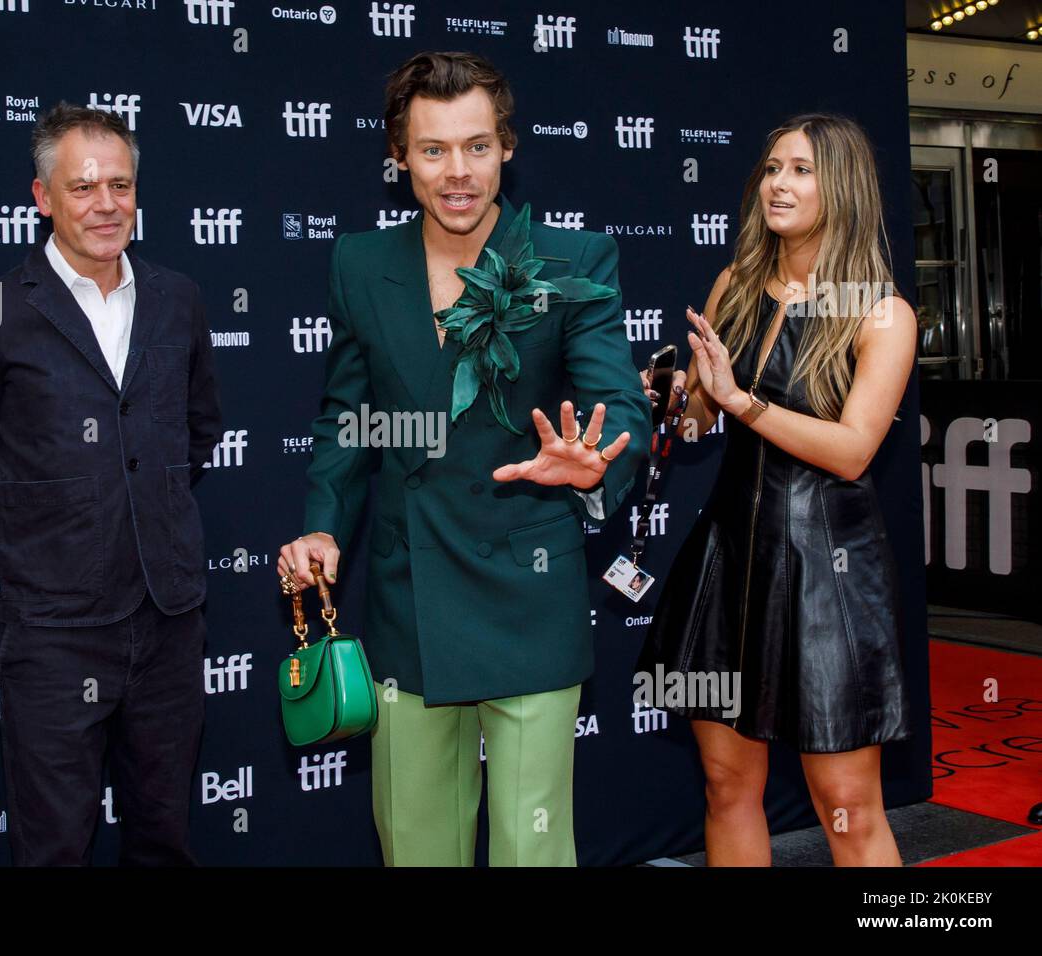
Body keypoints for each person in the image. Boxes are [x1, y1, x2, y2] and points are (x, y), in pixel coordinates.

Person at [278, 52, 651, 867]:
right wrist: (321, 529)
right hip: (409, 594)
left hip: (529, 586)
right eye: (433, 150)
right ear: (400, 156)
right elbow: (349, 416)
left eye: (477, 147)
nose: (457, 174)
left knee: (533, 850)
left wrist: (595, 463)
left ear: (508, 147)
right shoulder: (358, 263)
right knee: (416, 847)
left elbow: (620, 402)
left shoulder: (573, 259)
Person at [0, 104, 221, 866]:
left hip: (169, 621)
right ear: (42, 197)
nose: (107, 204)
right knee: (52, 847)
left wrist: (142, 515)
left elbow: (198, 431)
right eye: (83, 187)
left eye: (120, 185)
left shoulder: (177, 299)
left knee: (165, 839)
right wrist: (38, 541)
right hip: (53, 634)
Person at [637, 113, 916, 866]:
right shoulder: (734, 282)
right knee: (728, 786)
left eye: (801, 170)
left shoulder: (882, 312)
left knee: (849, 810)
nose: (778, 185)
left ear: (843, 186)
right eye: (771, 169)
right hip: (726, 564)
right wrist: (675, 399)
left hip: (829, 577)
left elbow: (854, 452)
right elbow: (699, 419)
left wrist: (740, 403)